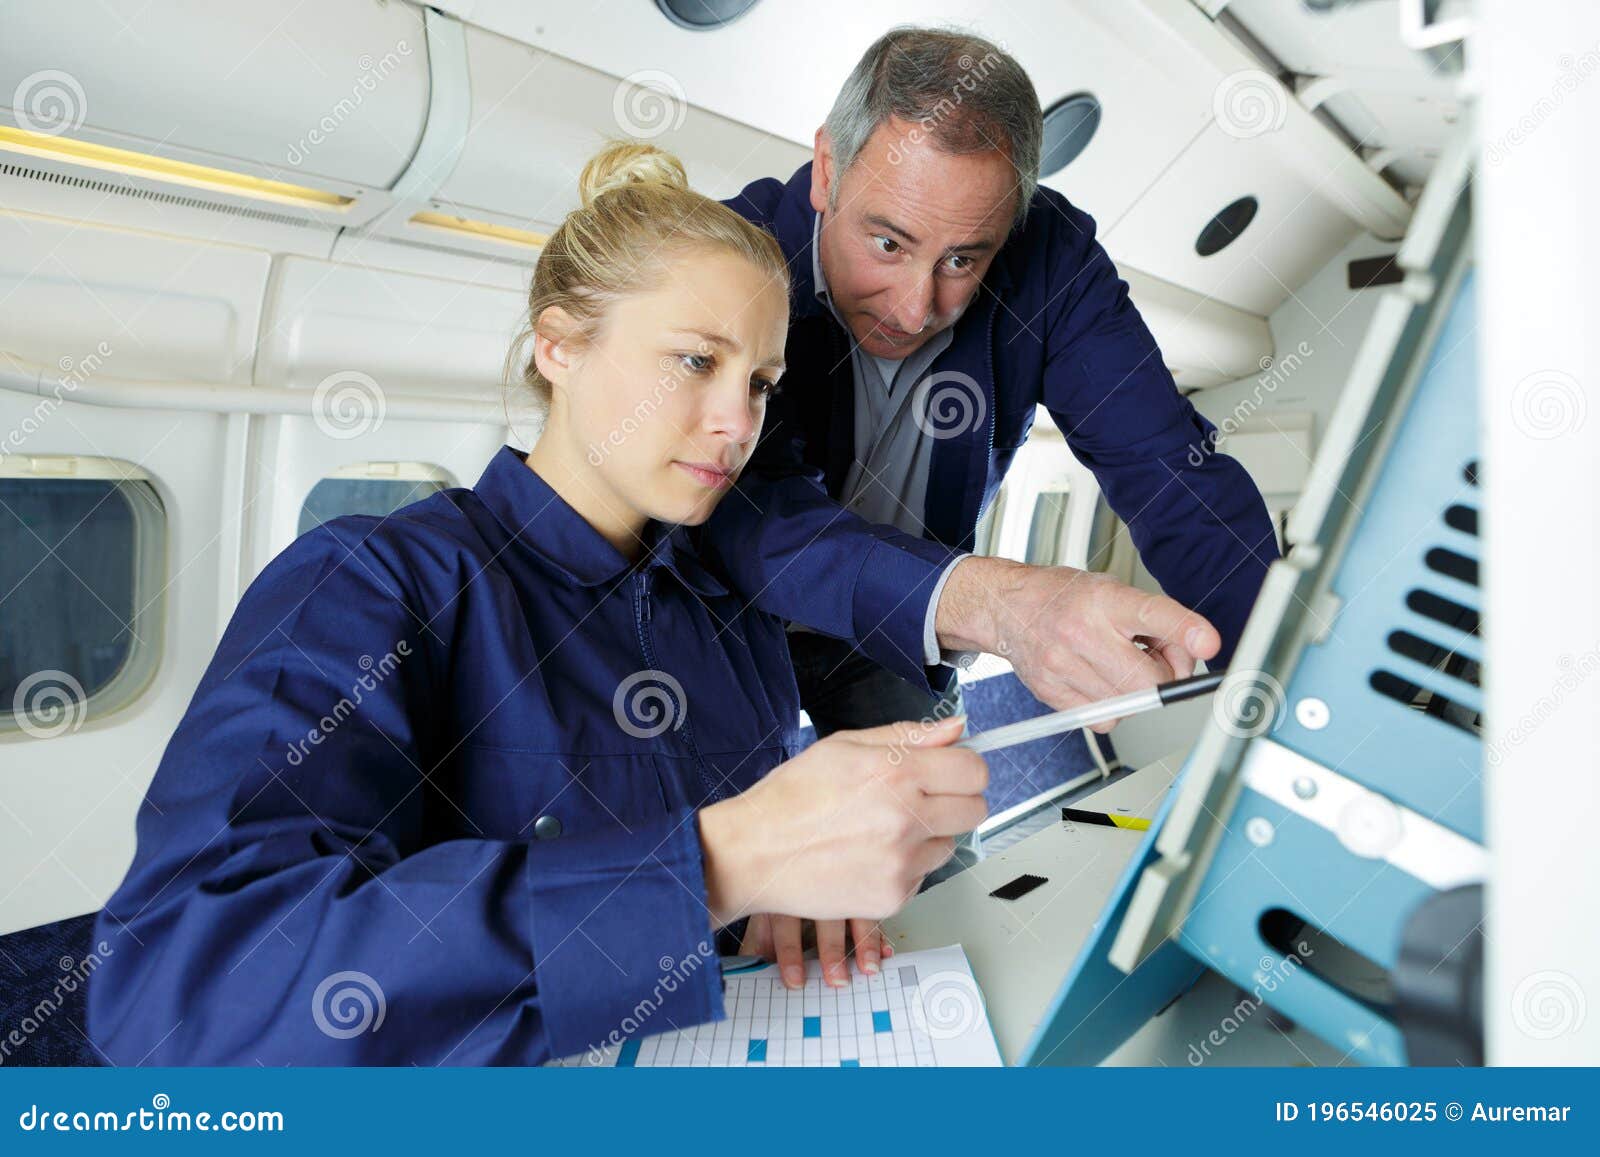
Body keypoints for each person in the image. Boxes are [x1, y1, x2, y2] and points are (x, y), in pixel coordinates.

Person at [86, 143, 990, 1065]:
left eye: (760, 383)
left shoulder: (735, 612)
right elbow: (192, 988)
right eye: (695, 360)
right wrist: (726, 861)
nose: (737, 423)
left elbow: (735, 904)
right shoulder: (374, 583)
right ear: (558, 346)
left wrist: (791, 889)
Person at [706, 27, 1278, 736]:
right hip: (730, 618)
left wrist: (1275, 662)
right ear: (827, 169)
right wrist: (996, 603)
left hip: (903, 630)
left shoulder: (1050, 262)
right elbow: (746, 510)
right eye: (888, 243)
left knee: (938, 806)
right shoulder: (720, 258)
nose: (913, 310)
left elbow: (1168, 471)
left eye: (962, 261)